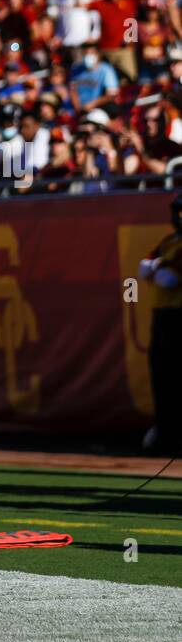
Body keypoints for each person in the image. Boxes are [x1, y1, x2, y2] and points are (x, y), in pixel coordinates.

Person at [139, 194, 182, 455]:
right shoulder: (169, 241)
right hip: (162, 317)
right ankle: (166, 433)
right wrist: (157, 266)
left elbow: (168, 279)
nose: (178, 218)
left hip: (180, 316)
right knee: (162, 376)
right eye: (176, 212)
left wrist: (157, 268)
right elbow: (145, 267)